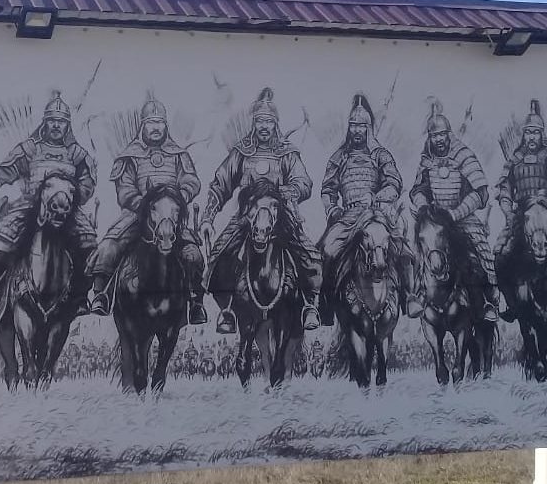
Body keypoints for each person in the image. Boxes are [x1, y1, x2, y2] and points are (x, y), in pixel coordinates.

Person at [202, 87, 322, 333]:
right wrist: (208, 217)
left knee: (310, 256)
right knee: (218, 255)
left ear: (275, 123)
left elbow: (304, 182)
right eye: (260, 121)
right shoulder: (241, 152)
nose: (264, 126)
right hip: (246, 217)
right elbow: (220, 184)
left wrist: (290, 190)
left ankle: (310, 305)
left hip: (281, 216)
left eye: (269, 121)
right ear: (254, 123)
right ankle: (227, 310)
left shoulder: (287, 152)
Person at [88, 94, 207, 324]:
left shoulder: (178, 155)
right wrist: (142, 204)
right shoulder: (130, 155)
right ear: (143, 125)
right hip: (138, 214)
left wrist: (179, 198)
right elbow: (124, 189)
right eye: (151, 122)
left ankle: (195, 302)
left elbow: (191, 180)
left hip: (171, 215)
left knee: (193, 254)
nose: (156, 127)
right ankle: (101, 294)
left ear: (165, 125)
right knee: (108, 247)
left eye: (159, 122)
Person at [0, 91, 98, 314]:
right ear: (45, 122)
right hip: (29, 205)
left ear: (67, 125)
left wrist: (72, 195)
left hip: (67, 209)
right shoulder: (30, 149)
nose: (56, 125)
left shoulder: (76, 154)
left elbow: (87, 183)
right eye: (52, 120)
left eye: (61, 121)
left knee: (89, 244)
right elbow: (5, 170)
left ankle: (80, 295)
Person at [319, 92, 417, 322]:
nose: (357, 131)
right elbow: (328, 189)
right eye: (353, 125)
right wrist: (332, 209)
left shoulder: (380, 155)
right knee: (327, 250)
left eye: (361, 126)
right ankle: (325, 304)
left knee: (404, 251)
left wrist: (376, 197)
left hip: (376, 216)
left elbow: (394, 183)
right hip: (348, 217)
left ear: (369, 128)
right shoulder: (339, 157)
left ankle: (409, 297)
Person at [409, 98, 500, 321]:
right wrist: (423, 207)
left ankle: (487, 301)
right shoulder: (427, 159)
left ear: (449, 134)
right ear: (429, 138)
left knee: (481, 253)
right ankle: (417, 295)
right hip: (435, 218)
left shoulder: (463, 155)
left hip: (462, 218)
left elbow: (480, 193)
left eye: (442, 135)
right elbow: (418, 189)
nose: (438, 140)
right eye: (434, 136)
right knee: (417, 249)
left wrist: (455, 213)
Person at [493, 99, 547, 322]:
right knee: (501, 253)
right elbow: (504, 188)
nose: (532, 137)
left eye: (536, 132)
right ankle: (511, 303)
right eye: (528, 132)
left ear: (542, 134)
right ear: (523, 135)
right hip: (522, 214)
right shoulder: (515, 159)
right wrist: (507, 209)